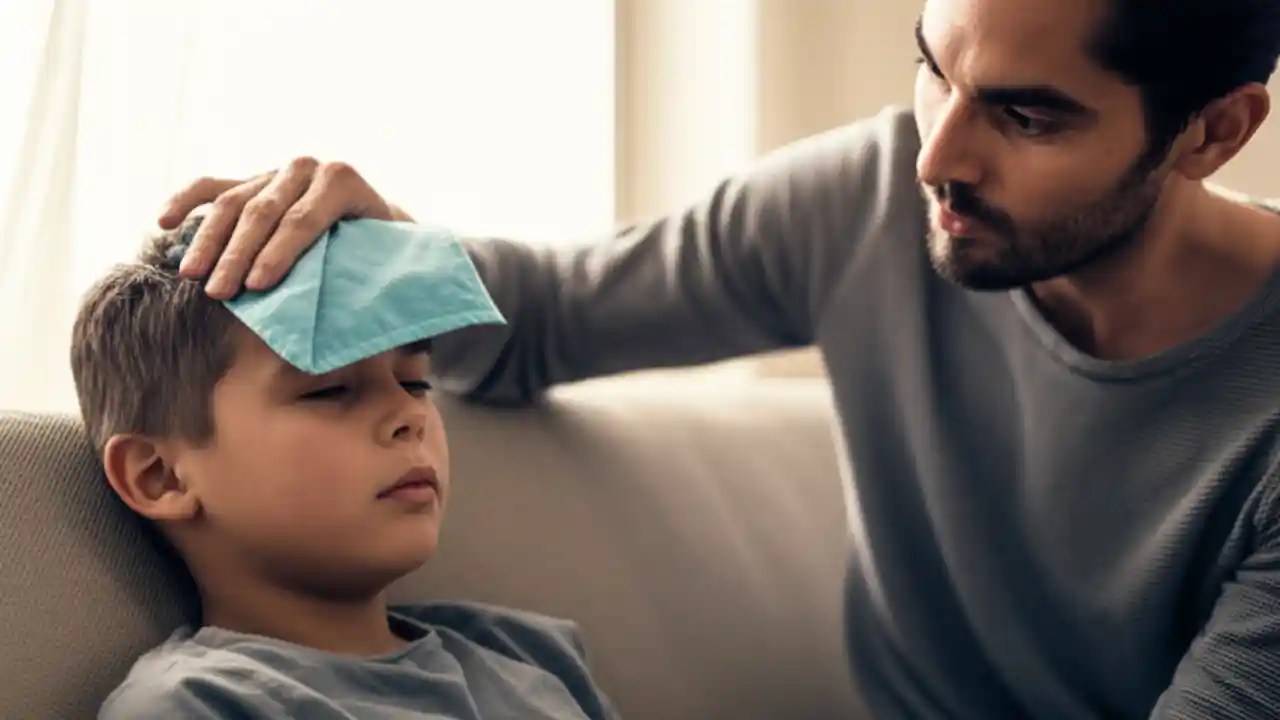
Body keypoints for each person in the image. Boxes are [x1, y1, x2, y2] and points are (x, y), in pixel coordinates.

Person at [157, 0, 1280, 716]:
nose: (935, 155)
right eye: (931, 67)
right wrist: (372, 248)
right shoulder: (863, 200)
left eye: (1026, 117)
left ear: (1212, 132)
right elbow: (540, 323)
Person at [71, 217, 618, 719]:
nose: (409, 414)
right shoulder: (198, 705)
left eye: (415, 382)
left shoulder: (530, 654)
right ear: (160, 476)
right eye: (330, 390)